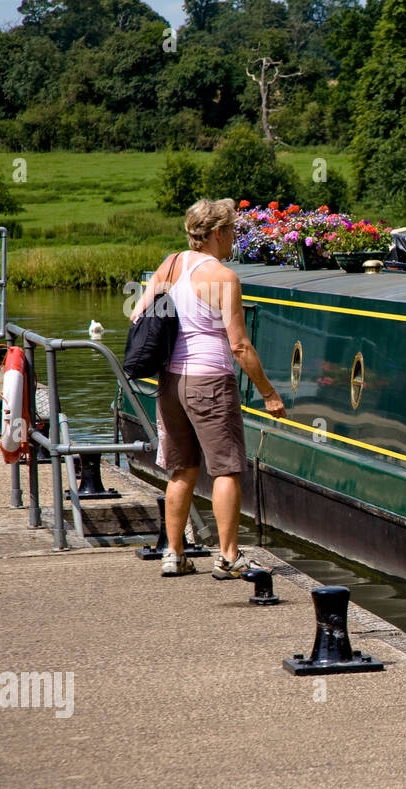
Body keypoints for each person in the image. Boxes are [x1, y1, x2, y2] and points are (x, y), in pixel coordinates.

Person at [129, 198, 287, 578]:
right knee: (227, 470)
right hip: (210, 381)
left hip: (170, 382)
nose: (235, 237)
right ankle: (229, 557)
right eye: (232, 230)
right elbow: (239, 346)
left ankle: (174, 555)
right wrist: (268, 393)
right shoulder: (223, 277)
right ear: (217, 233)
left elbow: (138, 315)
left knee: (182, 469)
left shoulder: (171, 264)